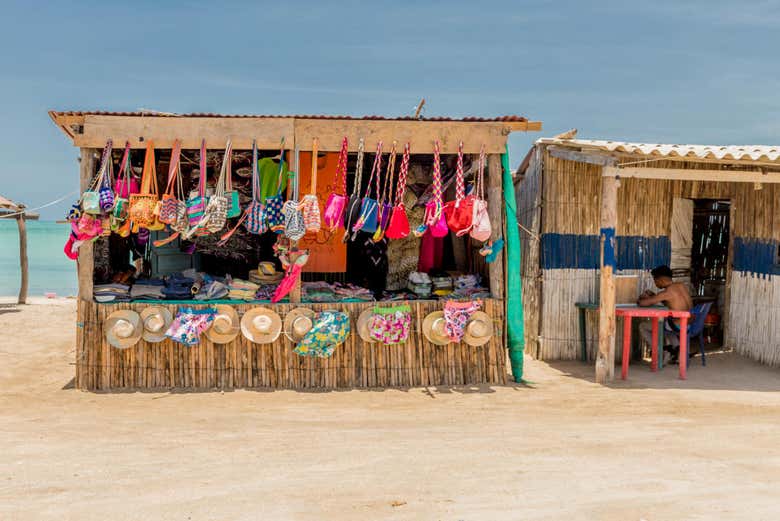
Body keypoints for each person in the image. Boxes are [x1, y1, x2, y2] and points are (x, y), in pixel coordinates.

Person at [637, 265, 693, 363]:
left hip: (677, 326)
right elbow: (671, 301)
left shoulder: (666, 293)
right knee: (666, 324)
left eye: (655, 281)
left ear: (661, 279)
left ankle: (661, 351)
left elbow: (643, 304)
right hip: (689, 323)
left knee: (643, 326)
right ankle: (676, 349)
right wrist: (655, 296)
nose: (655, 284)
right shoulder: (681, 285)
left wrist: (641, 298)